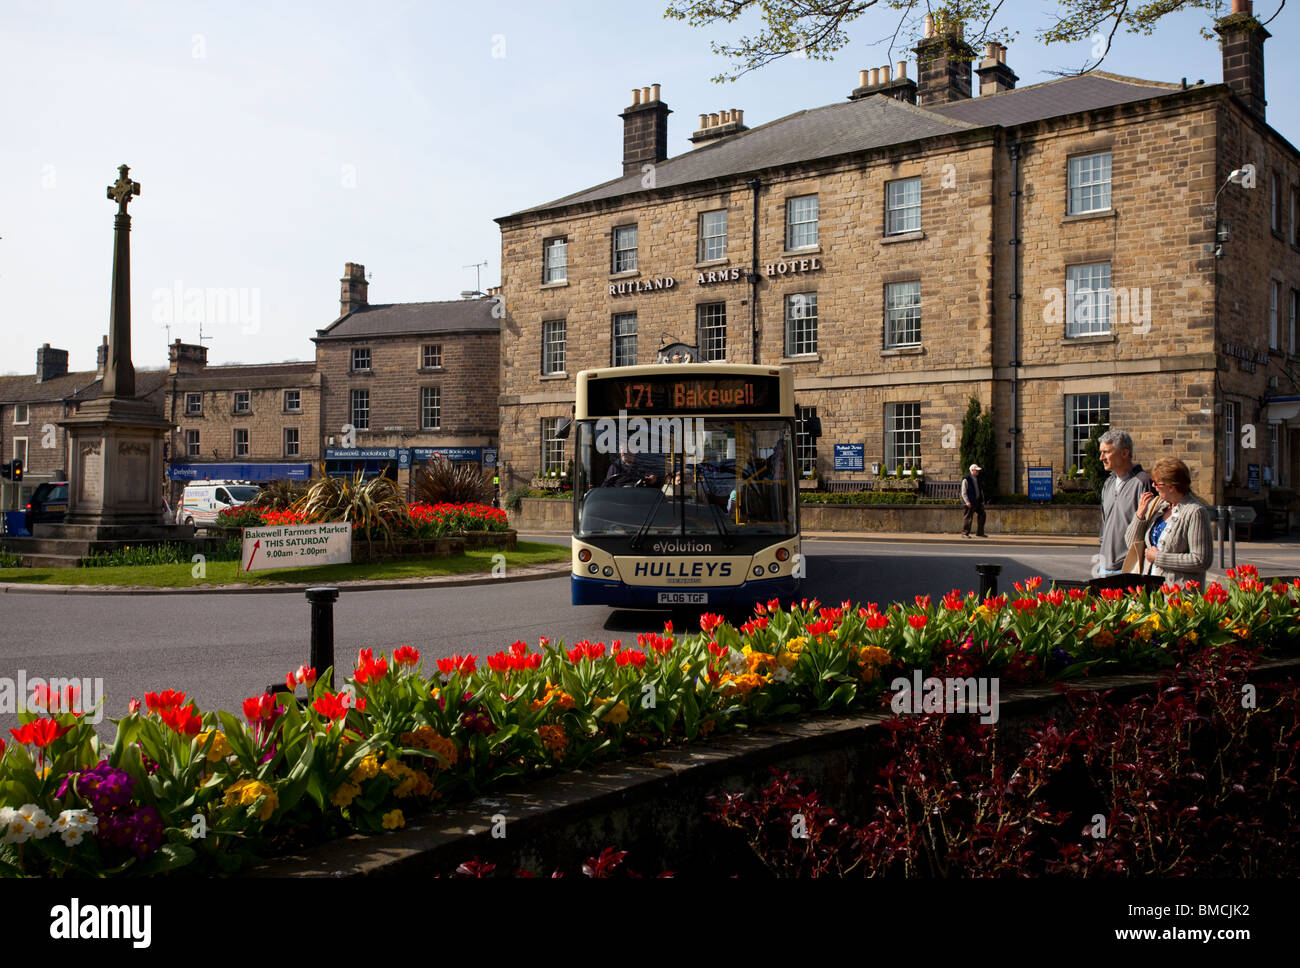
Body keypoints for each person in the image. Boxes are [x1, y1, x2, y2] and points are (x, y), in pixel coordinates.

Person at [1122, 457, 1212, 585]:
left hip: (1178, 597)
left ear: (1172, 487)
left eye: (1157, 483)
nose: (1153, 486)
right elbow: (1131, 543)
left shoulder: (1195, 512)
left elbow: (1201, 560)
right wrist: (1140, 515)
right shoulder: (1157, 505)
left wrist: (1159, 558)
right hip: (1150, 591)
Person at [1098, 430, 1153, 575]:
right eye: (1101, 452)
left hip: (1129, 569)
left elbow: (1150, 528)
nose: (1101, 457)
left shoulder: (1143, 482)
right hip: (1105, 567)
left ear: (1124, 453)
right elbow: (1104, 524)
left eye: (1106, 452)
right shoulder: (1108, 483)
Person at [960, 464, 986, 538]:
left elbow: (980, 490)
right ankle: (965, 534)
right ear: (971, 470)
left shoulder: (978, 478)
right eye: (976, 470)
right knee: (968, 518)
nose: (978, 471)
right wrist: (967, 502)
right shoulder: (966, 479)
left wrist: (982, 500)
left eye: (978, 470)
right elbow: (963, 492)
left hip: (977, 501)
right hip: (970, 502)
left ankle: (980, 533)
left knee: (982, 514)